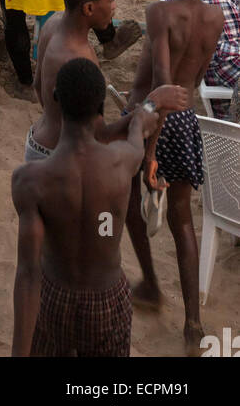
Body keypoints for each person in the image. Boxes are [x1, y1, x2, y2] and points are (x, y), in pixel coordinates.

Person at [11, 57, 159, 357]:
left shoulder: (31, 180)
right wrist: (150, 107)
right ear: (101, 106)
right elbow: (138, 134)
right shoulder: (121, 161)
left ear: (56, 99)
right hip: (107, 297)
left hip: (54, 295)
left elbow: (28, 273)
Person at [124, 0, 225, 354]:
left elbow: (161, 84)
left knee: (132, 204)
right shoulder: (216, 16)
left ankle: (149, 281)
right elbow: (191, 79)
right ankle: (192, 322)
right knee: (184, 220)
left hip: (156, 118)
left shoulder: (159, 11)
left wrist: (149, 151)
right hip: (186, 120)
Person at [28, 0, 151, 162]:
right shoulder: (79, 58)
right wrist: (148, 108)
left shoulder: (52, 24)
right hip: (61, 158)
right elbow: (100, 135)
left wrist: (56, 119)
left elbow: (38, 85)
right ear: (89, 9)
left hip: (38, 141)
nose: (114, 6)